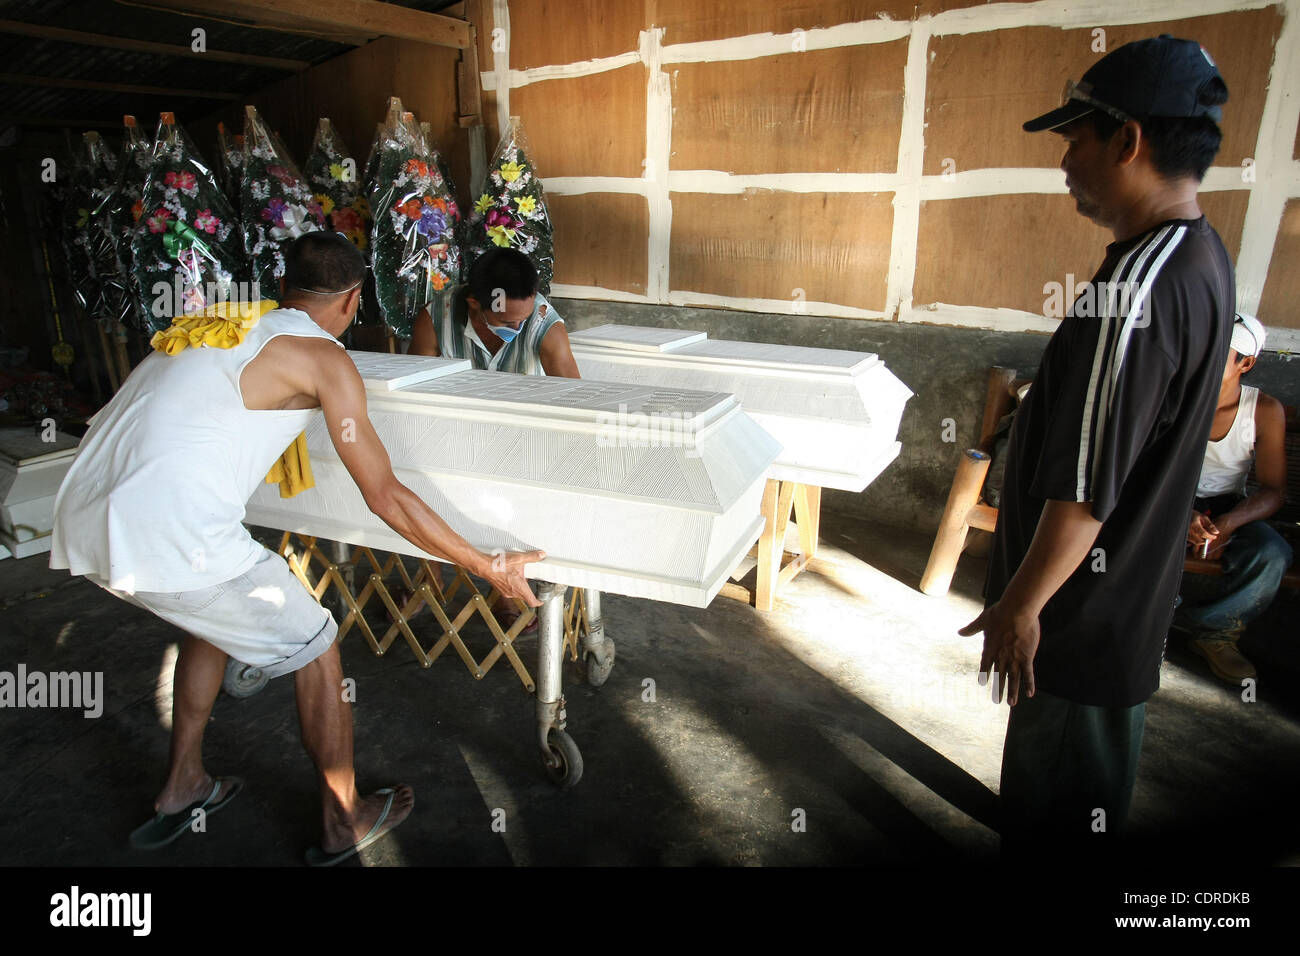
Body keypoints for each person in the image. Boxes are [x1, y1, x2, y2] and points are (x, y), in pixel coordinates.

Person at [49, 231, 543, 865]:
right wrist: (484, 563)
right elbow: (385, 495)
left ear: (286, 288)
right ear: (353, 300)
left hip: (86, 517)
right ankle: (343, 819)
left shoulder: (216, 324)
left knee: (213, 620)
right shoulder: (323, 359)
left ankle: (183, 787)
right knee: (317, 645)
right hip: (169, 537)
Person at [958, 36, 1234, 854]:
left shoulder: (1136, 293)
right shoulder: (1199, 256)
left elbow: (1087, 489)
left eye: (1075, 140)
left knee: (1057, 813)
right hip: (1119, 610)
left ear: (1129, 141)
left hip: (1077, 626)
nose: (1066, 163)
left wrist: (1021, 606)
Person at [1177, 312, 1291, 684]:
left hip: (1226, 506)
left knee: (1272, 553)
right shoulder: (1172, 397)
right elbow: (1140, 469)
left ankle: (1214, 631)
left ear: (1246, 362)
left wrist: (1228, 523)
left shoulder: (1263, 410)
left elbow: (1274, 491)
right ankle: (1152, 621)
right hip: (1167, 501)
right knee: (1129, 532)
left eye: (1218, 353)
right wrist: (1183, 514)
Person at [409, 247, 580, 377]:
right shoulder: (436, 317)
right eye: (506, 322)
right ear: (474, 304)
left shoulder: (543, 323)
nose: (517, 327)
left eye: (524, 318)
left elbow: (572, 398)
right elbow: (413, 383)